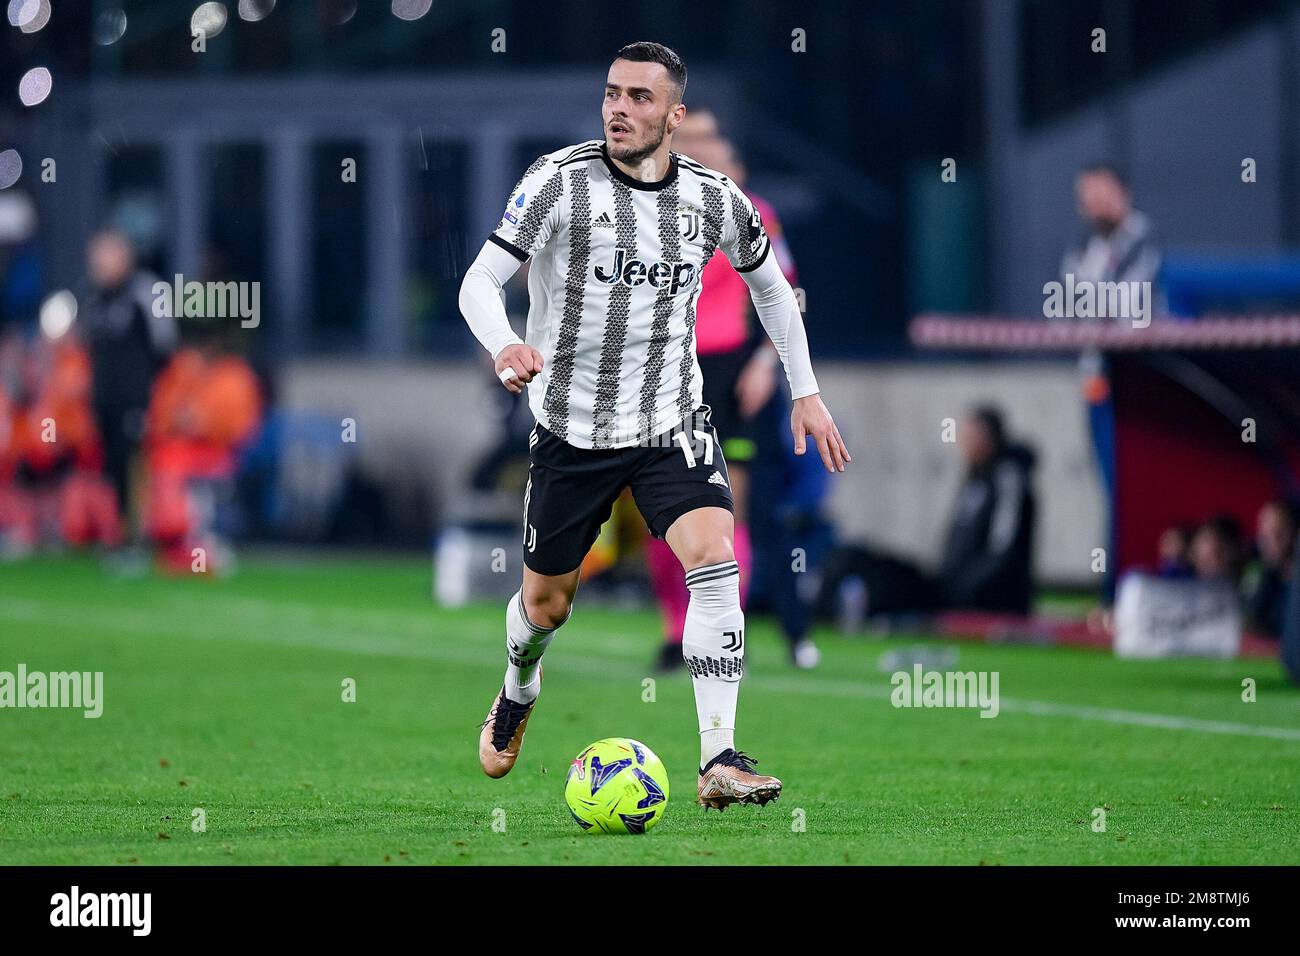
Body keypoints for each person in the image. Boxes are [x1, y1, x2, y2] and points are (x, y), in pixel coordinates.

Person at [458, 41, 849, 810]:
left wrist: (805, 390)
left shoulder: (713, 198)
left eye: (639, 97)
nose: (619, 108)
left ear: (674, 115)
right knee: (547, 607)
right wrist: (503, 340)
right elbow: (480, 279)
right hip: (571, 428)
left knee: (714, 560)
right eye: (612, 92)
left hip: (672, 420)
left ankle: (719, 760)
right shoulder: (556, 182)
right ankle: (518, 685)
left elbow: (772, 288)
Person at [643, 109, 819, 669]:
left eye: (708, 139)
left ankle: (723, 629)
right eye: (687, 140)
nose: (698, 149)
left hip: (728, 370)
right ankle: (678, 628)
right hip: (662, 372)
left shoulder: (750, 213)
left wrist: (768, 360)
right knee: (658, 507)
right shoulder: (643, 208)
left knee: (733, 506)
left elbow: (790, 295)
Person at [820, 406, 1036, 618]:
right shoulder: (976, 478)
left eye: (971, 436)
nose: (965, 444)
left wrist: (964, 589)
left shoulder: (1007, 478)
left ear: (989, 437)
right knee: (872, 562)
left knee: (897, 584)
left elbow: (1003, 550)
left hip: (988, 598)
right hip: (952, 587)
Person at [81, 229, 176, 535]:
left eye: (105, 256)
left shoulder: (147, 292)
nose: (98, 264)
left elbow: (165, 348)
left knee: (135, 463)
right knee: (112, 466)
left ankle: (138, 535)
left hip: (137, 400)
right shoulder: (95, 299)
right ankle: (119, 531)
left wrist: (147, 393)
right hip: (104, 399)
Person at [1060, 162, 1161, 293]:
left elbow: (1129, 297)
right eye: (1087, 195)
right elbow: (1064, 291)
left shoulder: (1144, 237)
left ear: (1124, 193)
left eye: (1101, 194)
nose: (1093, 201)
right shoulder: (1084, 240)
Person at [1241, 501, 1295, 637]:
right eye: (1266, 533)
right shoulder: (1256, 571)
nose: (1272, 540)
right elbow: (1246, 620)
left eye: (1280, 532)